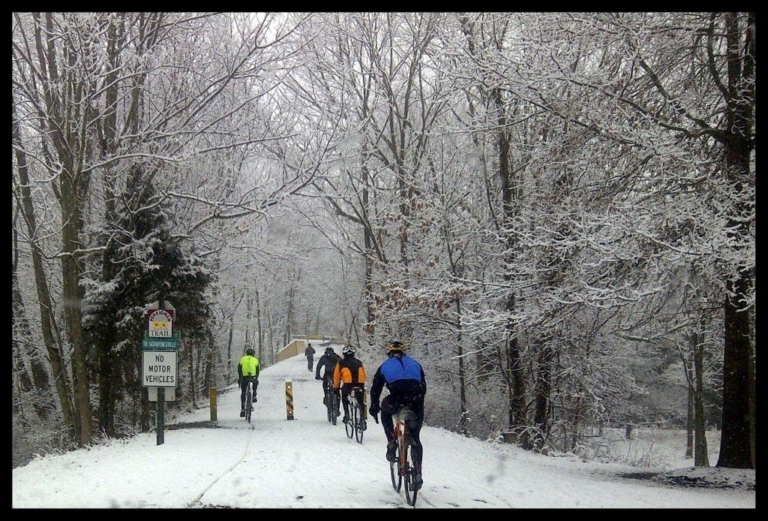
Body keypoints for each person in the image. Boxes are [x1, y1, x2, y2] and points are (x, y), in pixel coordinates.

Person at [369, 340, 426, 489]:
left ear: (389, 353)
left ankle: (392, 440)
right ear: (403, 352)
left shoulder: (385, 365)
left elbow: (376, 388)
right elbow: (423, 386)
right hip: (416, 399)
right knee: (416, 437)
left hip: (397, 398)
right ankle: (418, 474)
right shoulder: (415, 363)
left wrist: (374, 406)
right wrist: (418, 406)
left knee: (385, 411)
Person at [332, 344, 367, 425]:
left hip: (348, 384)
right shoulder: (359, 362)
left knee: (344, 398)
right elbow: (364, 375)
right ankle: (362, 418)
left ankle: (347, 414)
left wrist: (336, 388)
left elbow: (336, 376)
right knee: (360, 400)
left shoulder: (341, 363)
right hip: (360, 383)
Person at [315, 346, 341, 414]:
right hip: (335, 375)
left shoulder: (324, 357)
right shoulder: (337, 357)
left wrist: (318, 376)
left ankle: (326, 397)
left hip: (327, 374)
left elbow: (319, 366)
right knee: (337, 391)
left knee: (325, 385)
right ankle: (337, 409)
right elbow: (342, 366)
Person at [237, 348, 261, 417]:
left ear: (246, 353)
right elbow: (257, 371)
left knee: (243, 392)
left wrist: (240, 379)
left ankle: (242, 409)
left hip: (244, 377)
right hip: (252, 376)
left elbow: (239, 370)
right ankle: (254, 395)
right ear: (253, 354)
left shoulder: (242, 359)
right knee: (255, 382)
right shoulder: (255, 360)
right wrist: (256, 378)